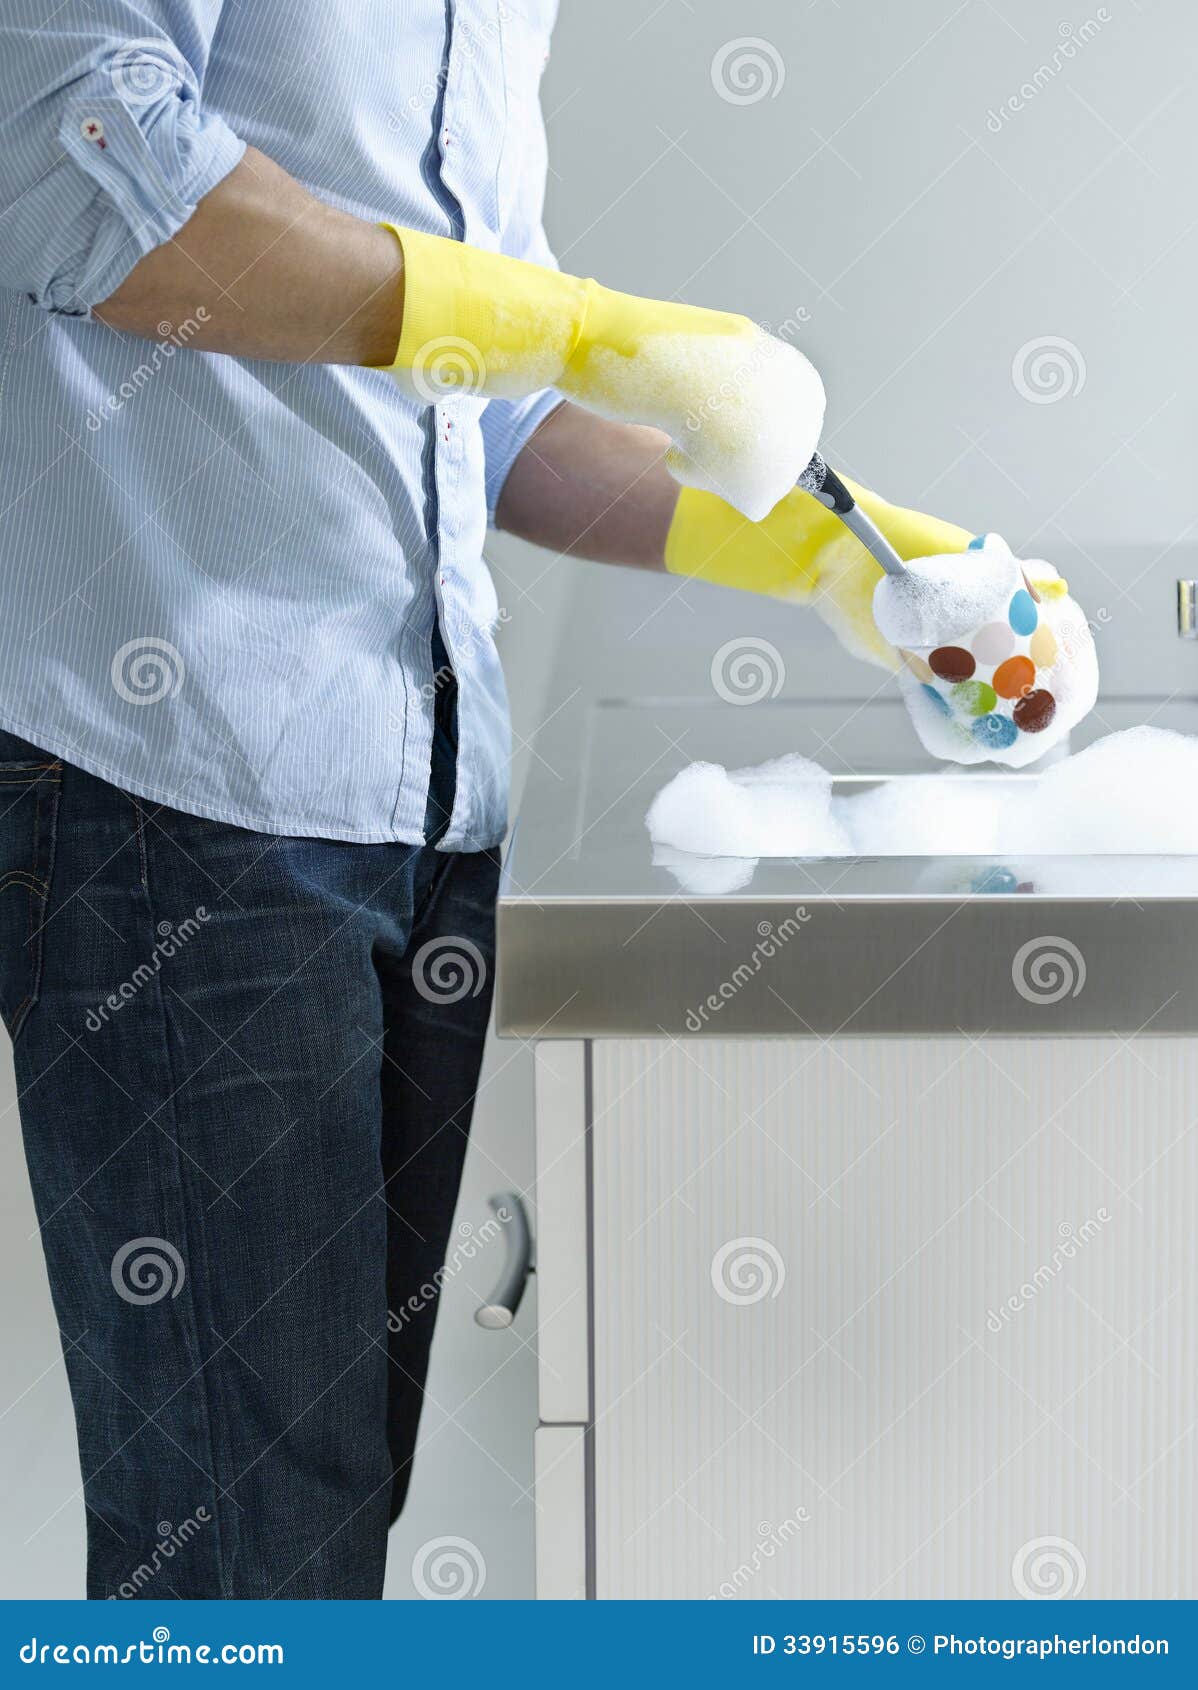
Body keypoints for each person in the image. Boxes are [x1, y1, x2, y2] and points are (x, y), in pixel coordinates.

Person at [0, 2, 968, 1599]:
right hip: (171, 782)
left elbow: (484, 405)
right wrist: (577, 323)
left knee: (318, 1522)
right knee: (243, 1555)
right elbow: (74, 169)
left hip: (418, 800)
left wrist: (825, 558)